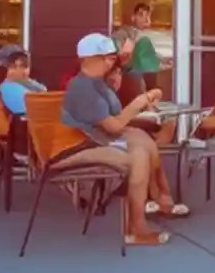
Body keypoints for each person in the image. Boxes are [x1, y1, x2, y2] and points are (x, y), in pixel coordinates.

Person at [59, 33, 176, 246]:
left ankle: (158, 199)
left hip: (92, 139)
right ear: (87, 59)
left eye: (111, 57)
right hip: (73, 146)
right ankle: (138, 227)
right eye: (104, 57)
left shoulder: (97, 83)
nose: (109, 62)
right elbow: (113, 126)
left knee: (141, 140)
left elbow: (113, 122)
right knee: (138, 156)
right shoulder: (82, 87)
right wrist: (138, 103)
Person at [103, 59, 191, 219]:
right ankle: (161, 199)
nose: (116, 78)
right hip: (109, 140)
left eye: (119, 73)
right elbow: (112, 124)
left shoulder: (113, 94)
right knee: (148, 147)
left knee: (154, 140)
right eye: (112, 74)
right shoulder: (102, 95)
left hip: (122, 135)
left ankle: (157, 198)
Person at [0, 44, 45, 116]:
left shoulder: (31, 84)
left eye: (24, 66)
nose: (19, 71)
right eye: (13, 67)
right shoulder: (8, 88)